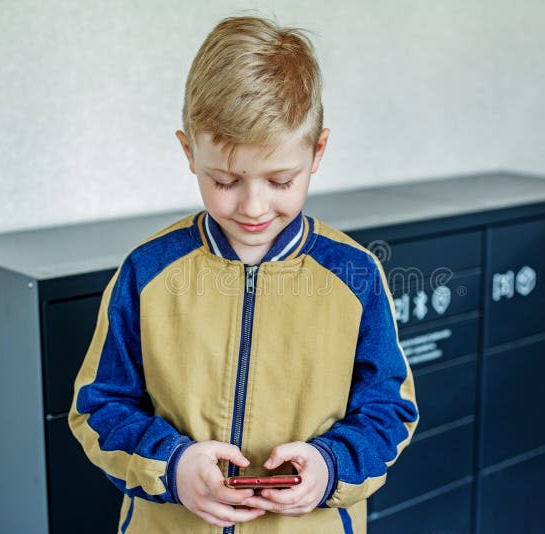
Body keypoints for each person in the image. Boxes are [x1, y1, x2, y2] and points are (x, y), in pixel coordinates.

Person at [68, 14, 418, 534]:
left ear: (316, 152)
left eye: (281, 180)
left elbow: (389, 411)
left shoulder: (354, 274)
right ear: (189, 152)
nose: (253, 206)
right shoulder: (147, 270)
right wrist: (173, 466)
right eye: (225, 180)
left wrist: (330, 467)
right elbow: (97, 407)